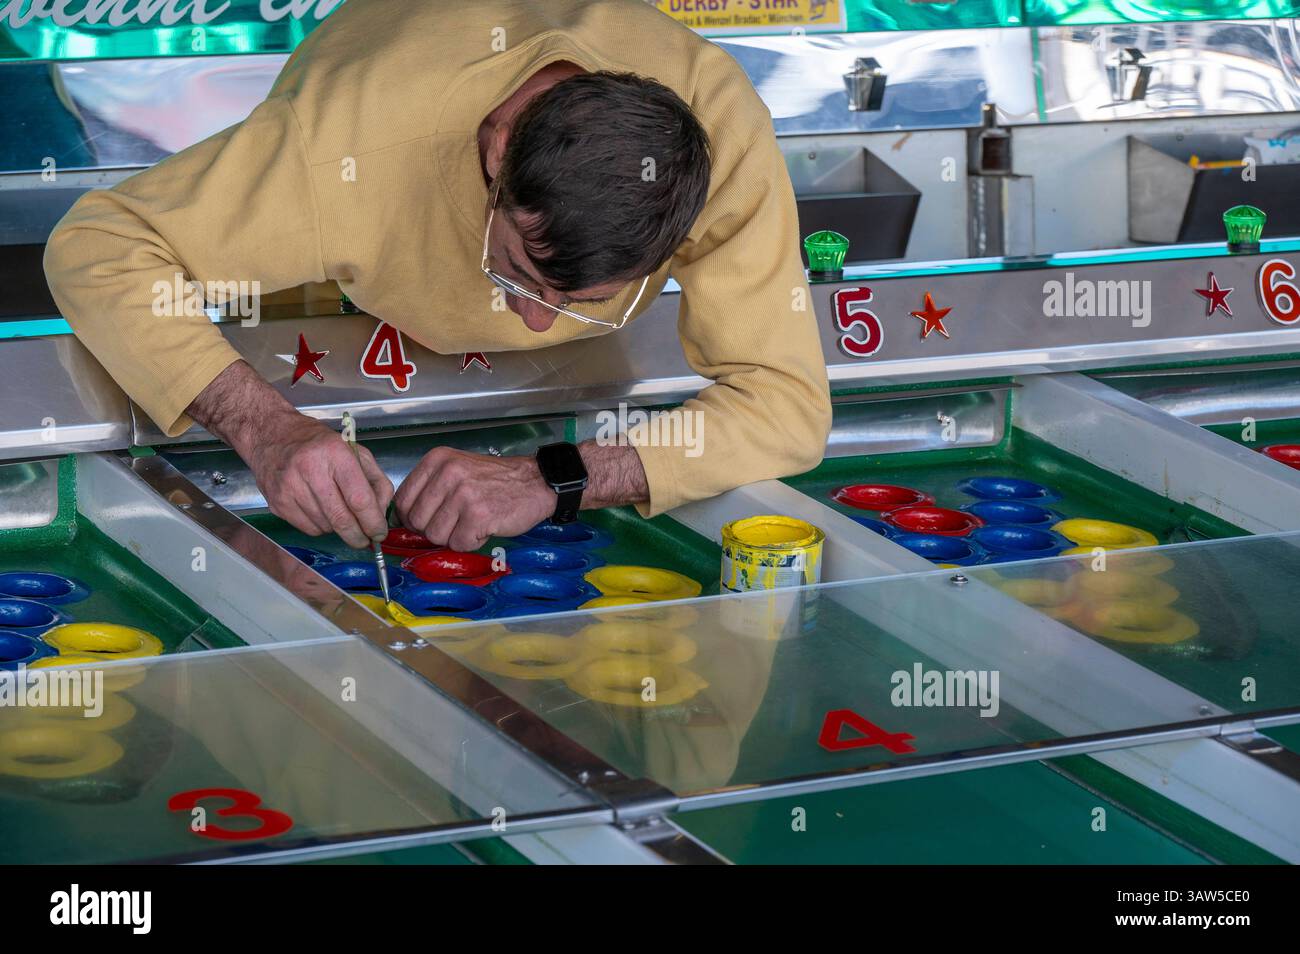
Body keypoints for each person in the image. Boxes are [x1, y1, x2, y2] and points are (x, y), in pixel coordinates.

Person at [44, 0, 831, 552]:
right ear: (496, 151)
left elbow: (789, 407)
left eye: (582, 303)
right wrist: (270, 428)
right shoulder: (340, 144)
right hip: (342, 290)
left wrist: (554, 480)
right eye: (522, 272)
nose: (539, 324)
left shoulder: (716, 126)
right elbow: (99, 244)